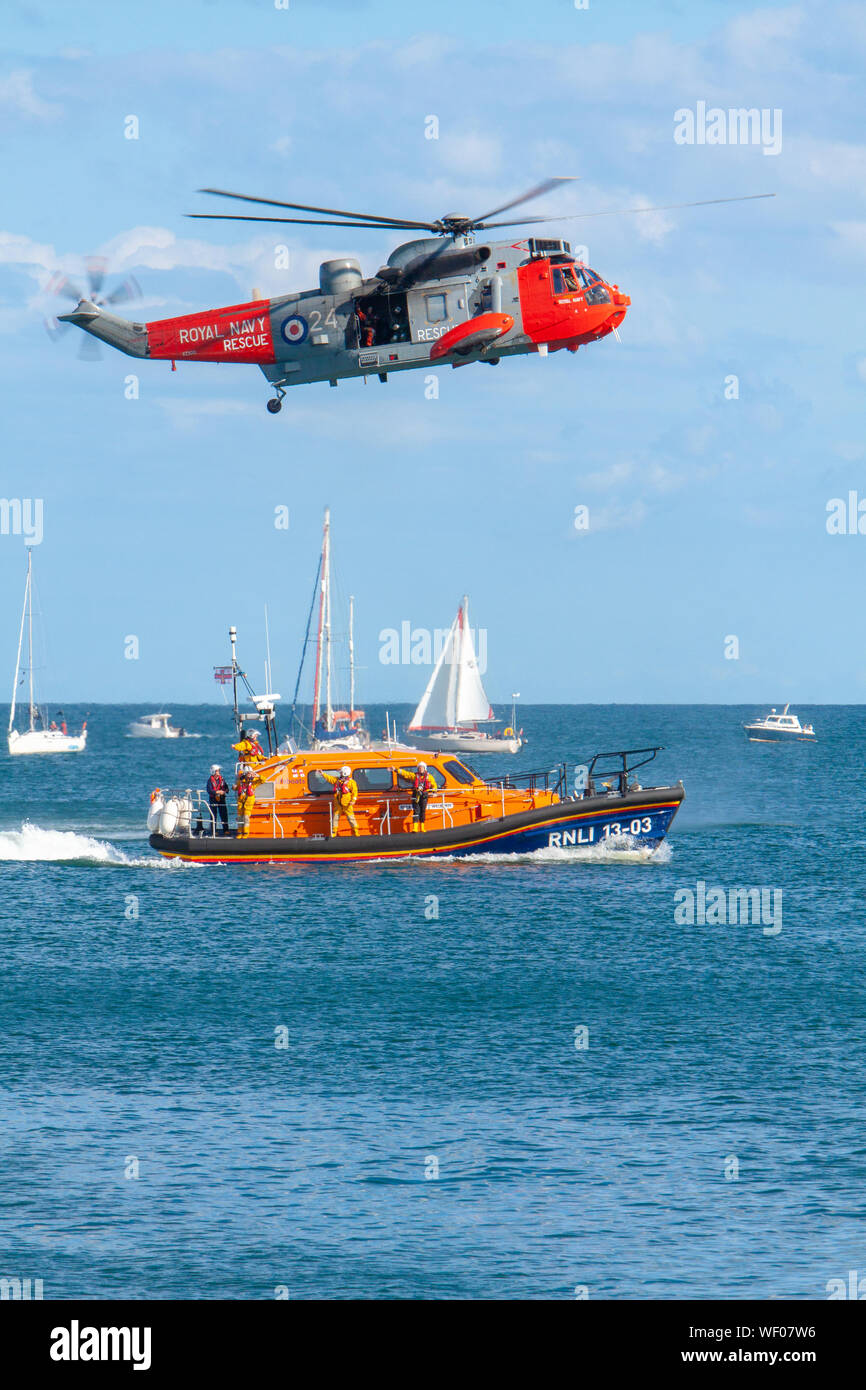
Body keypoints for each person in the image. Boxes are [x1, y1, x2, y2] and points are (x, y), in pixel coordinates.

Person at [397, 761, 437, 832]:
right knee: (416, 811)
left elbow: (434, 785)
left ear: (425, 768)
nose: (420, 769)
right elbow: (406, 774)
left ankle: (422, 827)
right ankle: (415, 827)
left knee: (423, 811)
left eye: (422, 768)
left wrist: (434, 792)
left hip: (424, 795)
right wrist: (396, 770)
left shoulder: (429, 777)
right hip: (416, 795)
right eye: (419, 768)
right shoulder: (415, 776)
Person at [321, 763, 359, 836]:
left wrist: (353, 801)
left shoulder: (351, 782)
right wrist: (323, 774)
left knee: (351, 818)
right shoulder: (338, 781)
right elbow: (330, 778)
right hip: (338, 803)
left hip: (347, 804)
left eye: (341, 772)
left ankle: (355, 831)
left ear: (344, 773)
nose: (340, 774)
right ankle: (334, 832)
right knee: (335, 818)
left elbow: (355, 792)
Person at [234, 762, 263, 838]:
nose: (249, 775)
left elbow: (263, 780)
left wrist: (258, 775)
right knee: (240, 817)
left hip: (248, 803)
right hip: (241, 802)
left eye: (250, 773)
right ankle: (240, 832)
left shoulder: (253, 783)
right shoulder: (241, 782)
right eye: (248, 773)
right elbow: (237, 788)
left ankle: (246, 833)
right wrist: (234, 787)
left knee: (246, 818)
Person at [206, 764, 229, 835]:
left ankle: (226, 830)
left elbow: (226, 788)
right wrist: (217, 792)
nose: (218, 772)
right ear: (213, 772)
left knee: (224, 814)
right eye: (217, 771)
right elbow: (209, 790)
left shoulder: (222, 779)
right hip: (213, 799)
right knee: (213, 815)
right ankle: (214, 831)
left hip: (222, 799)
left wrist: (224, 791)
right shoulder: (210, 780)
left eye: (218, 771)